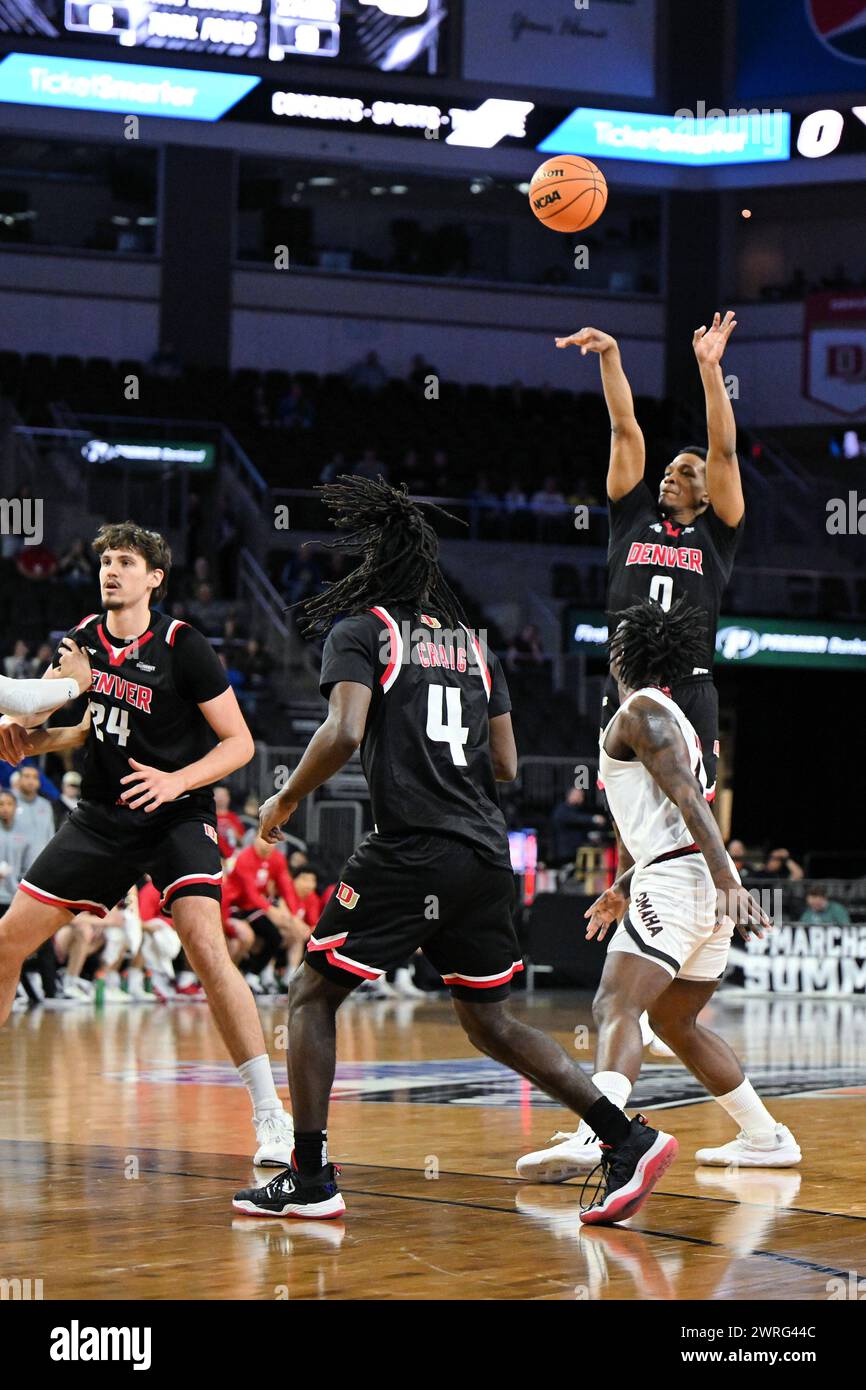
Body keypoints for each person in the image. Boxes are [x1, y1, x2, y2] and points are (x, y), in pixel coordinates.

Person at [232, 476, 677, 1225]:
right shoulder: (474, 646)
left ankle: (311, 1177)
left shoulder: (363, 630)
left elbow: (342, 732)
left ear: (377, 564)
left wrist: (286, 797)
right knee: (491, 1021)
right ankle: (625, 1136)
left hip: (413, 847)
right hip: (483, 853)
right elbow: (505, 764)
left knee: (310, 995)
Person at [0, 520, 294, 1167]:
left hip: (175, 816)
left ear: (154, 578)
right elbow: (69, 726)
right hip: (102, 817)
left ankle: (272, 1114)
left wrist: (174, 782)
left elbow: (238, 743)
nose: (112, 570)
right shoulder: (81, 641)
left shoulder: (184, 648)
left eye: (127, 561)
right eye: (107, 560)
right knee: (7, 942)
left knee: (207, 947)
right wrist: (27, 734)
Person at [516, 599, 800, 1182]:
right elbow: (667, 818)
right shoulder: (668, 716)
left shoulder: (640, 714)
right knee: (676, 1024)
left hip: (682, 882)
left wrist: (727, 882)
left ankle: (596, 1136)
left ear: (621, 656)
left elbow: (692, 804)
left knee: (616, 1005)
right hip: (687, 879)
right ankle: (765, 1137)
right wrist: (625, 882)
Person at [558, 311, 745, 1051]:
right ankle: (636, 887)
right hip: (629, 686)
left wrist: (708, 368)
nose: (674, 472)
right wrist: (609, 357)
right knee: (635, 802)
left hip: (691, 686)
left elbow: (725, 445)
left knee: (692, 801)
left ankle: (708, 907)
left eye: (687, 471)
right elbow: (625, 429)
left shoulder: (717, 534)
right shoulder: (630, 517)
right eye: (672, 467)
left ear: (706, 490)